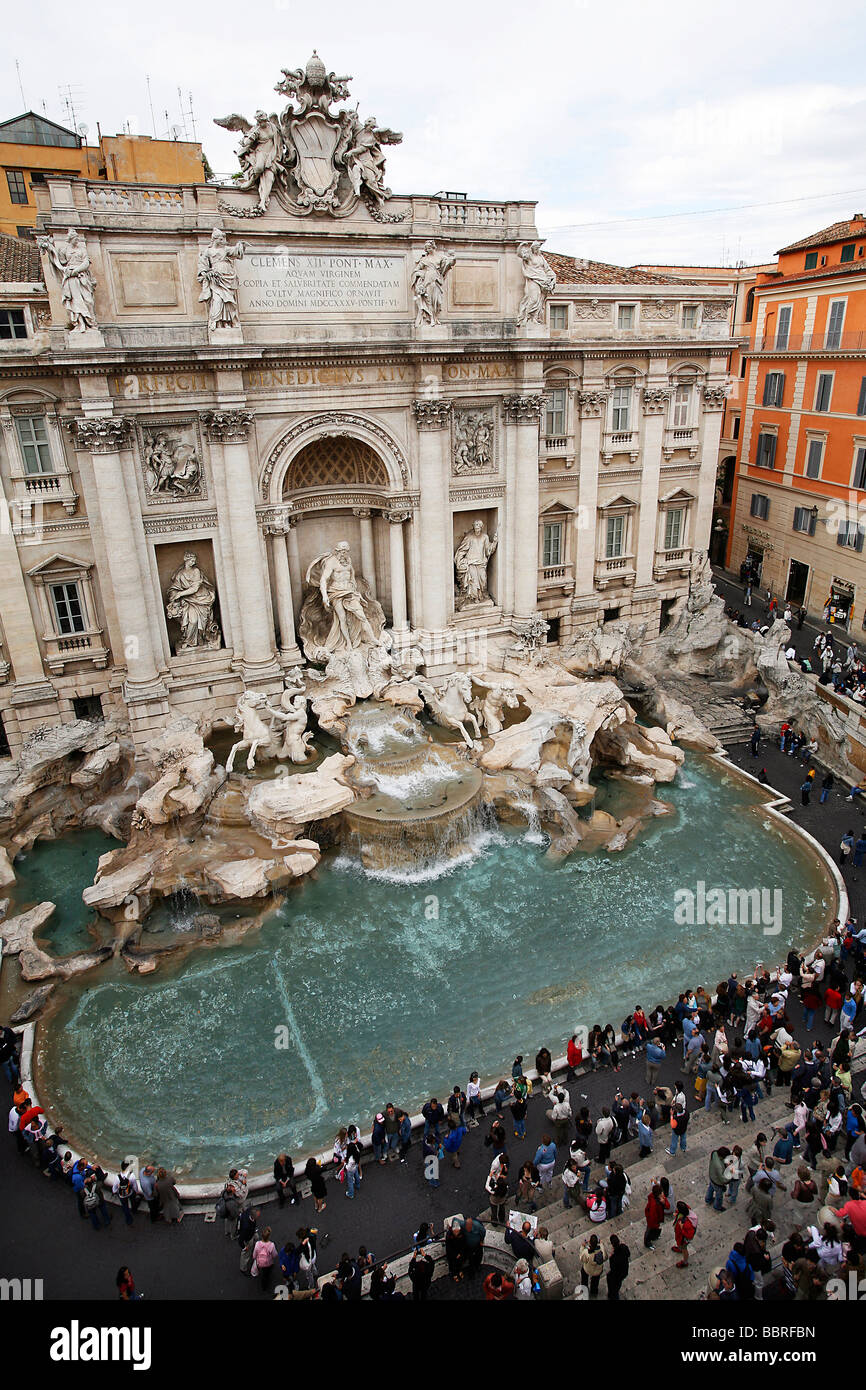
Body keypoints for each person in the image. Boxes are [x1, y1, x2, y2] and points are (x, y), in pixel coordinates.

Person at [252, 1226, 279, 1294]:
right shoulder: (271, 1245)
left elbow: (254, 1255)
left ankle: (263, 1286)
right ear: (268, 1236)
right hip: (268, 1263)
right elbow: (275, 1255)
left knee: (263, 1275)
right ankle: (266, 1282)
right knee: (266, 1274)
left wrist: (256, 1259)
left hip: (259, 1262)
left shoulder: (257, 1244)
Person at [672, 1201, 697, 1268]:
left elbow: (690, 1235)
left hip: (683, 1239)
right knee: (680, 1246)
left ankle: (685, 1262)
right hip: (679, 1236)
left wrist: (682, 1228)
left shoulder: (686, 1223)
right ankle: (680, 1248)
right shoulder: (686, 1210)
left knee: (684, 1249)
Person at [579, 1233, 605, 1297]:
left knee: (584, 1278)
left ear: (589, 1243)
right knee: (595, 1282)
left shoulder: (586, 1252)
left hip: (587, 1269)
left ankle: (584, 1290)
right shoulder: (601, 1251)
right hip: (597, 1271)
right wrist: (601, 1244)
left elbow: (582, 1259)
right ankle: (594, 1292)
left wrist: (582, 1247)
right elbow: (605, 1257)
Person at [606, 1233, 630, 1301]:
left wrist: (612, 1256)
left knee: (612, 1285)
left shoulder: (613, 1257)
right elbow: (628, 1254)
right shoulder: (624, 1247)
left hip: (616, 1275)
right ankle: (613, 1294)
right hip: (624, 1271)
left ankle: (612, 1296)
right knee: (618, 1284)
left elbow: (612, 1268)